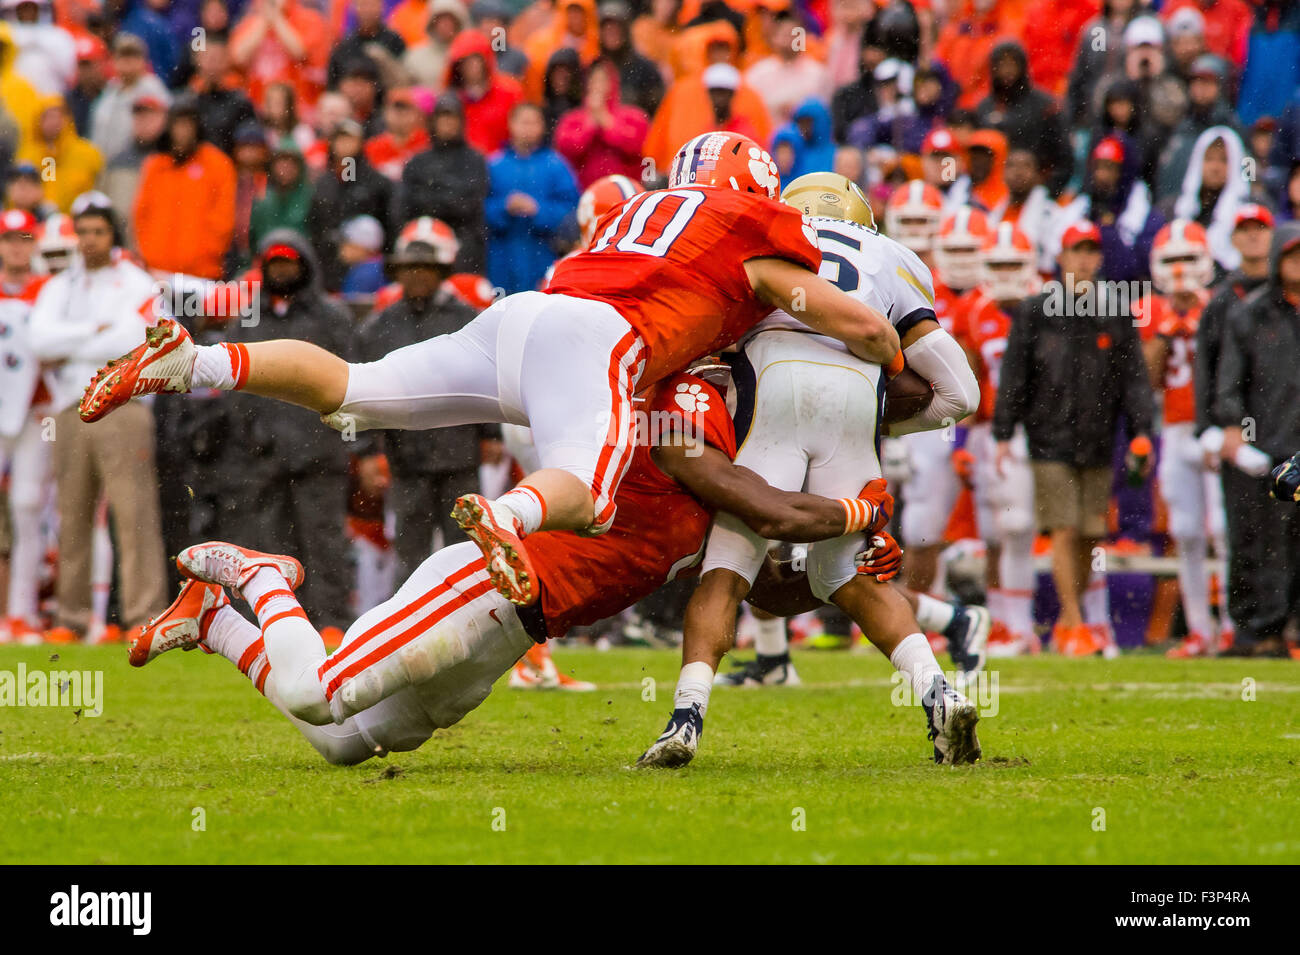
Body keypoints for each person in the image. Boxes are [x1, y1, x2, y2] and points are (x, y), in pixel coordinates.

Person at [80, 131, 902, 610]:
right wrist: (890, 360)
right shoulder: (752, 226)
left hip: (522, 316)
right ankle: (508, 516)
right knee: (586, 485)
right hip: (598, 340)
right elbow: (857, 322)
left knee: (356, 385)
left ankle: (196, 359)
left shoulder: (637, 207)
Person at [128, 371, 895, 766]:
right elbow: (759, 506)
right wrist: (856, 514)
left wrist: (839, 565)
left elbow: (764, 584)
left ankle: (213, 619)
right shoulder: (692, 400)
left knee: (343, 743)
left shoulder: (743, 452)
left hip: (509, 633)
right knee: (317, 694)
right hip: (486, 584)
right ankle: (262, 577)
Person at [697, 174, 987, 731]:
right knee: (843, 570)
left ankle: (689, 712)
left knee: (728, 555)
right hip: (852, 415)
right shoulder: (889, 254)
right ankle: (937, 686)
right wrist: (870, 418)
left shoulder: (765, 245)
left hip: (766, 403)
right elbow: (960, 394)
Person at [993, 220, 1156, 656]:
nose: (1083, 260)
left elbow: (1134, 378)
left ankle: (1071, 623)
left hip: (1098, 438)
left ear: (1098, 258)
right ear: (1061, 258)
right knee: (1063, 529)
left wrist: (1143, 430)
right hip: (1049, 437)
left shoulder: (1114, 311)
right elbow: (1015, 374)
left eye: (1090, 251)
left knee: (1089, 533)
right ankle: (1074, 621)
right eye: (1075, 251)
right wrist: (1004, 431)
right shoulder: (1035, 310)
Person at [28, 199, 168, 642]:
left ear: (114, 235)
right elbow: (37, 340)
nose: (89, 241)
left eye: (98, 232)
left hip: (124, 406)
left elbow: (138, 340)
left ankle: (142, 615)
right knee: (72, 514)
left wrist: (73, 344)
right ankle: (70, 618)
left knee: (134, 512)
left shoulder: (136, 282)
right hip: (71, 408)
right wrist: (97, 334)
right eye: (83, 232)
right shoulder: (59, 286)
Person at [356, 218, 498, 579]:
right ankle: (411, 630)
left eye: (426, 268)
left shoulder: (468, 320)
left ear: (441, 273)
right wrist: (366, 452)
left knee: (467, 553)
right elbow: (362, 392)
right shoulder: (377, 327)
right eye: (410, 269)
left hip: (458, 456)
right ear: (398, 274)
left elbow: (486, 378)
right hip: (406, 460)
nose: (418, 276)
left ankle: (470, 627)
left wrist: (492, 434)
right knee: (410, 557)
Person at [1136, 221, 1228, 658]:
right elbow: (1148, 380)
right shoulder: (1149, 310)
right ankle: (1198, 630)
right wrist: (1168, 330)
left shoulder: (1221, 305)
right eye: (1170, 260)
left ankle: (1231, 625)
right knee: (1187, 532)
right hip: (1173, 429)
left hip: (1214, 426)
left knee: (1223, 530)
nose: (1179, 270)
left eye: (1187, 258)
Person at [1212, 222, 1300, 657]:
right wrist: (1233, 427)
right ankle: (1260, 632)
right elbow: (1229, 380)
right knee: (1261, 541)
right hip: (1268, 449)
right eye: (1292, 256)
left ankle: (1291, 630)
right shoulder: (1251, 313)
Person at [1194, 203, 1273, 656]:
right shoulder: (1223, 299)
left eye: (1259, 229)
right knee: (1238, 530)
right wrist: (1215, 427)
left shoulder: (1287, 296)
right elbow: (1207, 365)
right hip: (1239, 433)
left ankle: (1284, 626)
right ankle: (1243, 629)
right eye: (1244, 230)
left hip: (1284, 426)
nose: (1252, 238)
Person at [962, 222, 1041, 656]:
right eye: (999, 263)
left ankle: (1022, 628)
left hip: (1037, 431)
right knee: (996, 532)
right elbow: (969, 375)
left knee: (1018, 529)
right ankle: (1003, 625)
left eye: (1014, 262)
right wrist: (962, 441)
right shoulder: (976, 309)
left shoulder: (1049, 304)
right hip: (993, 430)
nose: (1007, 271)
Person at [0, 208, 51, 642]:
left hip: (37, 412)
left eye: (24, 239)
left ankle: (23, 611)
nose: (17, 247)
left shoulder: (49, 290)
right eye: (9, 239)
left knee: (28, 505)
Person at [133, 97, 237, 281]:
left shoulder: (217, 164)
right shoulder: (155, 165)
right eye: (178, 124)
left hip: (201, 273)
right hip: (157, 272)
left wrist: (205, 254)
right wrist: (149, 254)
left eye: (188, 124)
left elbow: (223, 219)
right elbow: (142, 214)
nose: (183, 131)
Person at [485, 103, 580, 294]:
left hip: (543, 253)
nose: (528, 128)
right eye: (523, 122)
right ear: (511, 125)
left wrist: (539, 210)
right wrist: (504, 208)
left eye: (534, 123)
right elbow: (478, 208)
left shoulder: (556, 165)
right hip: (502, 257)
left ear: (543, 126)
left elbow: (571, 209)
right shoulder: (494, 164)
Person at [399, 93, 489, 273]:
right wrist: (447, 193)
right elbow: (406, 204)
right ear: (434, 122)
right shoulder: (418, 161)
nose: (448, 123)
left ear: (461, 122)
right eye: (443, 117)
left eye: (453, 117)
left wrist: (432, 193)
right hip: (423, 242)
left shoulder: (475, 160)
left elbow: (468, 205)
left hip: (464, 246)